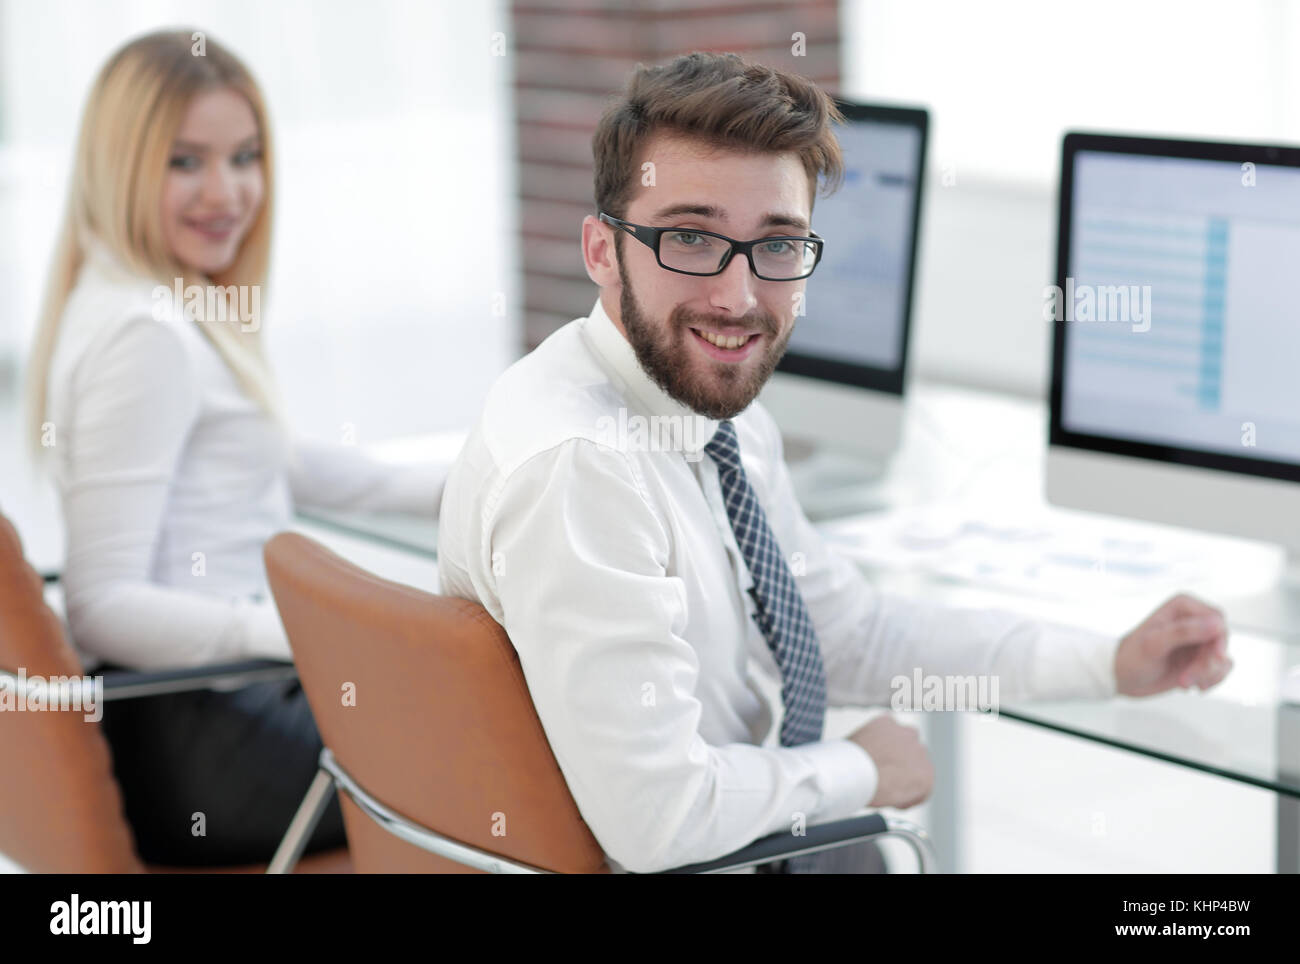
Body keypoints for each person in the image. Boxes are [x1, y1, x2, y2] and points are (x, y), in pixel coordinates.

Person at [437, 51, 1233, 874]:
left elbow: (846, 636)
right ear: (602, 251)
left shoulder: (717, 420)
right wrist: (861, 770)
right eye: (690, 238)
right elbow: (659, 822)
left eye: (777, 247)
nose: (738, 297)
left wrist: (1106, 661)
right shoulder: (583, 470)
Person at [25, 30, 447, 865]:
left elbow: (277, 466)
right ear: (119, 167)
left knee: (495, 726)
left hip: (212, 725)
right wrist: (296, 631)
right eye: (185, 161)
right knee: (521, 760)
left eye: (245, 156)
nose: (227, 191)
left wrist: (479, 477)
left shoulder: (144, 303)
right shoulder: (145, 335)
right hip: (209, 746)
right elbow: (102, 605)